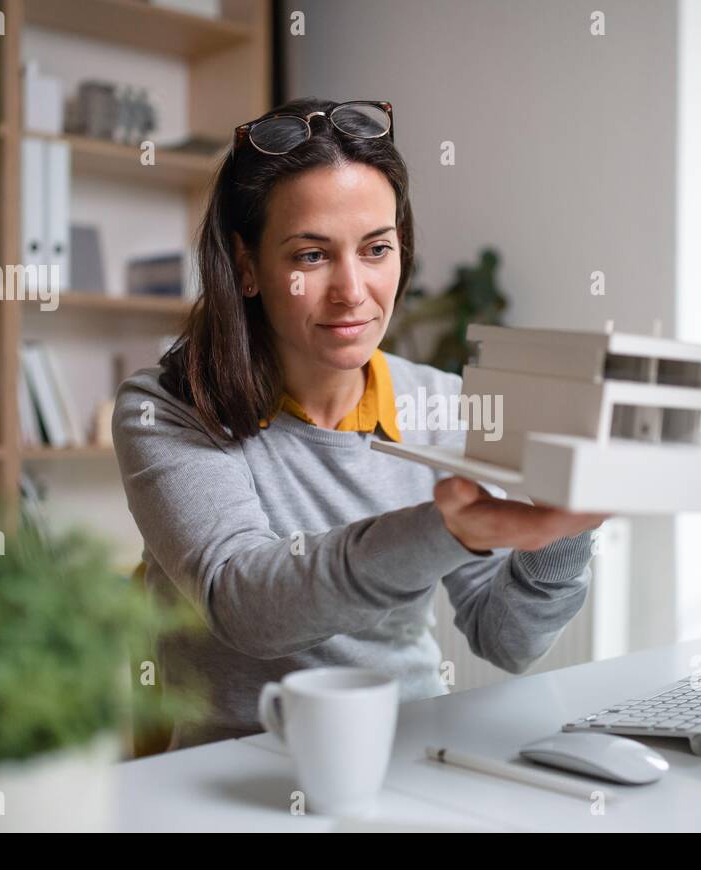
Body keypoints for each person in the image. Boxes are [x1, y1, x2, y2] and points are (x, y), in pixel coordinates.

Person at [112, 97, 606, 748]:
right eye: (311, 256)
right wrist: (447, 528)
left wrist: (567, 527)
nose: (352, 290)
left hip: (411, 749)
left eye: (376, 249)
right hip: (232, 771)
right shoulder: (169, 406)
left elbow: (504, 640)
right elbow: (244, 604)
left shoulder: (443, 404)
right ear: (246, 266)